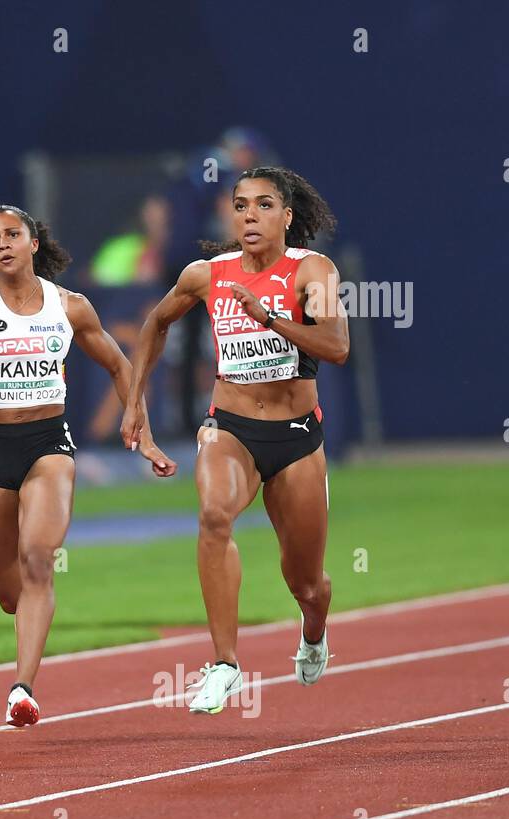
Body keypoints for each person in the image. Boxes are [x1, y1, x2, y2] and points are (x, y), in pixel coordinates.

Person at [122, 166, 348, 714]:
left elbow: (336, 344)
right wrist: (135, 400)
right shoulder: (207, 275)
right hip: (231, 426)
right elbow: (155, 323)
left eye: (264, 205)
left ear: (287, 217)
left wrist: (269, 316)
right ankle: (224, 664)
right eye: (241, 205)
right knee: (214, 516)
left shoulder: (310, 270)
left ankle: (314, 630)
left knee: (306, 582)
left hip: (296, 437)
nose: (250, 215)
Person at [0, 204, 176, 727]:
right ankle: (26, 634)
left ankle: (22, 688)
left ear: (33, 243)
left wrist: (145, 433)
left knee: (38, 558)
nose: (1, 244)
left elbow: (120, 364)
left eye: (11, 235)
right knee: (8, 593)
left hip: (49, 444)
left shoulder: (69, 306)